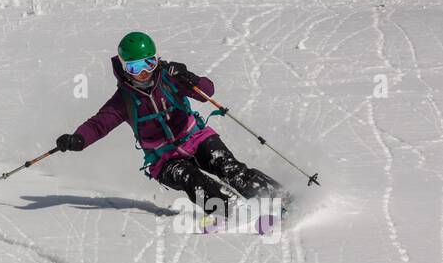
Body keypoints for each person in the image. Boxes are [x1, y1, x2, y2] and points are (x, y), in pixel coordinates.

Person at [55, 31, 282, 212]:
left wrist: (189, 78)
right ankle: (232, 212)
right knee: (192, 179)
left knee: (227, 166)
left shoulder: (170, 78)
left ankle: (280, 199)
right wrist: (78, 139)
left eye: (149, 63)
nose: (144, 73)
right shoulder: (123, 100)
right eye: (134, 67)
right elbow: (99, 125)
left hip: (195, 137)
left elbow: (207, 91)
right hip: (163, 158)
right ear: (124, 69)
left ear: (156, 60)